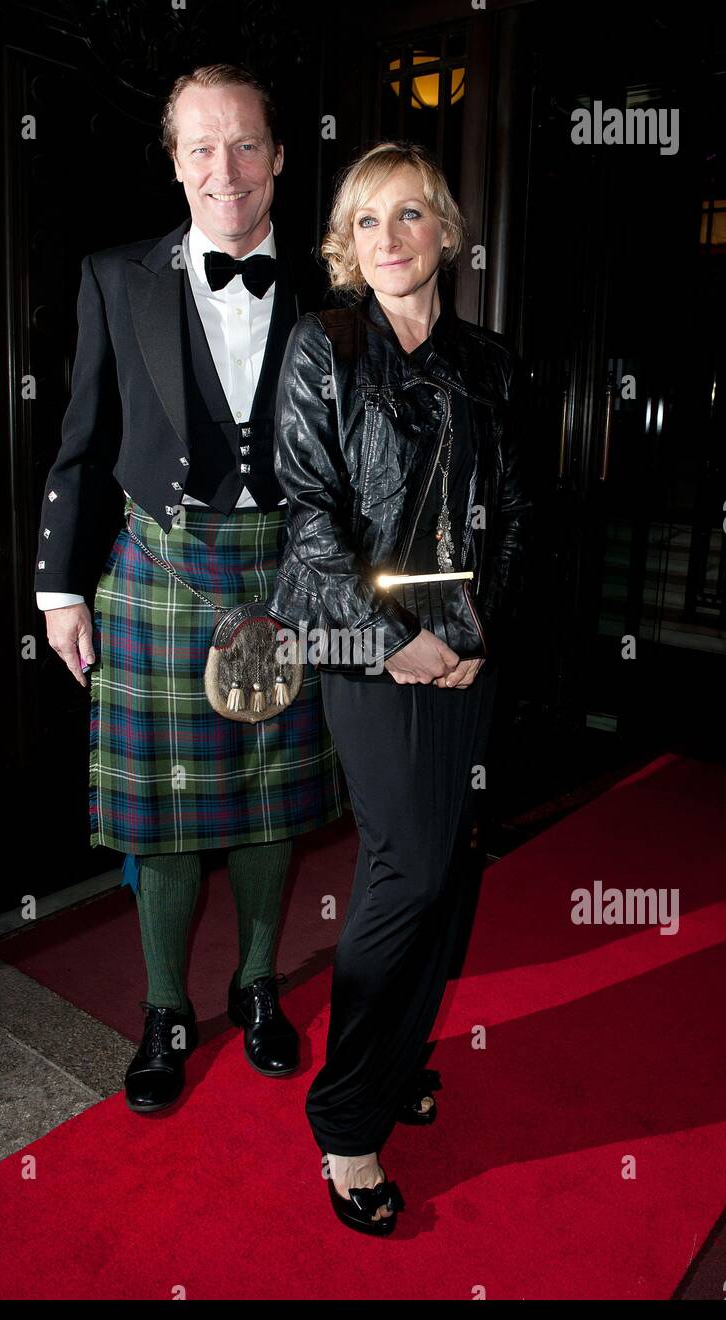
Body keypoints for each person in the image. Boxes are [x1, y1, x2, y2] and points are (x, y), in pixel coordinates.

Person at [33, 64, 344, 1113]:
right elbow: (78, 443)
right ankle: (166, 1008)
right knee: (163, 816)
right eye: (201, 147)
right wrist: (58, 591)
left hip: (290, 572)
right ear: (173, 160)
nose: (226, 169)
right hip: (162, 566)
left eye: (247, 144)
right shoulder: (115, 274)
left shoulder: (329, 287)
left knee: (269, 806)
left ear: (280, 158)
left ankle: (257, 985)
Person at [267, 141, 531, 1234]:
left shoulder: (493, 361)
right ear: (346, 242)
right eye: (366, 221)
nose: (389, 240)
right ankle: (346, 1121)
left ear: (448, 233)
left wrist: (476, 630)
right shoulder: (322, 345)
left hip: (462, 645)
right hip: (363, 646)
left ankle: (397, 1061)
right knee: (407, 865)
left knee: (453, 866)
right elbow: (311, 515)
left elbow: (514, 512)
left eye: (411, 216)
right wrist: (395, 637)